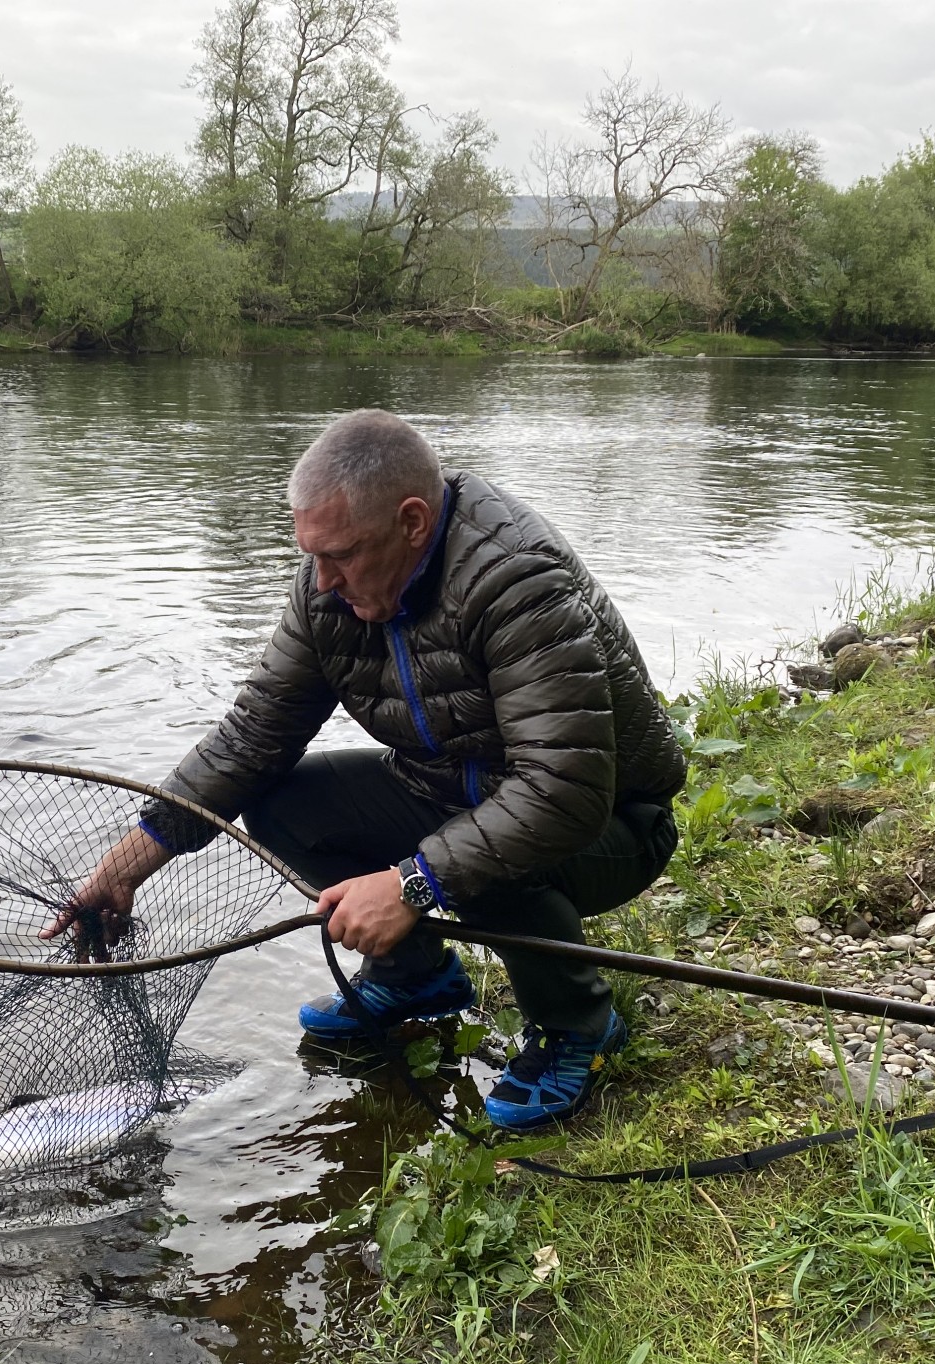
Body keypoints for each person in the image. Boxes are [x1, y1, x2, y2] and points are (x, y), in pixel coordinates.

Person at [48, 409, 685, 1128]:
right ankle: (418, 979)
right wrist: (128, 863)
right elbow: (251, 737)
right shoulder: (330, 590)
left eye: (340, 556)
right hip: (450, 789)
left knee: (490, 853)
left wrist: (414, 882)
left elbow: (561, 791)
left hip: (610, 824)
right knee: (285, 804)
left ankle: (579, 1026)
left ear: (412, 522)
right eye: (311, 555)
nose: (320, 582)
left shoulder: (515, 580)